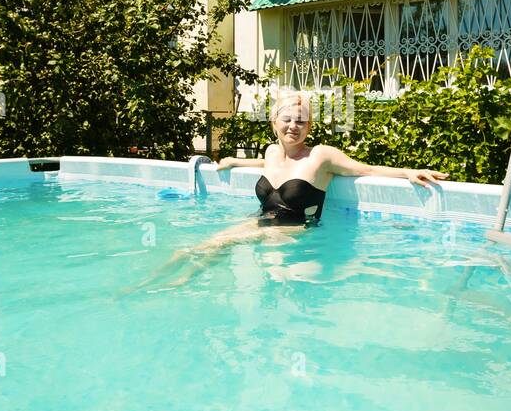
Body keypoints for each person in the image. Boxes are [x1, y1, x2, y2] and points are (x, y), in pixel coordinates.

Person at [132, 91, 447, 290]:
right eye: (287, 119)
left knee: (225, 242)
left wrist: (407, 172)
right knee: (196, 247)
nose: (293, 126)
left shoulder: (321, 156)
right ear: (274, 122)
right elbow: (266, 166)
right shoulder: (270, 152)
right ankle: (159, 281)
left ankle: (179, 281)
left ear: (309, 127)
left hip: (298, 228)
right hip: (264, 221)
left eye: (302, 121)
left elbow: (364, 169)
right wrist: (232, 161)